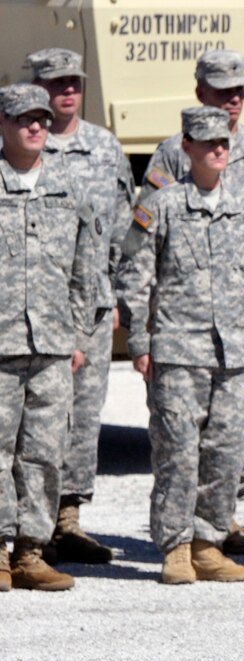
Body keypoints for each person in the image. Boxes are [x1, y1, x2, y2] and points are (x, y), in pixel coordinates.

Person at [116, 106, 244, 585]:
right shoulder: (161, 205)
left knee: (226, 450)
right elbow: (134, 276)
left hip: (233, 353)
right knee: (178, 452)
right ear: (186, 148)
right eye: (207, 143)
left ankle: (209, 542)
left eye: (223, 142)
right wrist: (141, 341)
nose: (218, 150)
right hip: (178, 351)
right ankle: (176, 545)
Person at [141, 48, 244, 557]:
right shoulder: (170, 155)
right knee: (183, 434)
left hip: (243, 320)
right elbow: (150, 242)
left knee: (241, 425)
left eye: (239, 91)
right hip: (187, 324)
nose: (233, 99)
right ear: (200, 91)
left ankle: (223, 518)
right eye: (222, 91)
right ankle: (188, 535)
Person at [24, 47, 135, 566]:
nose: (67, 90)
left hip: (88, 307)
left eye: (74, 82)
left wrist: (112, 292)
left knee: (84, 417)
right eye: (56, 82)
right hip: (30, 310)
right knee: (31, 420)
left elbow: (122, 228)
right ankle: (27, 525)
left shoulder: (105, 148)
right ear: (38, 87)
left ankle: (67, 520)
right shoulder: (22, 147)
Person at [0, 83, 98, 592]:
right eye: (23, 119)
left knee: (42, 451)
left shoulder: (69, 186)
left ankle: (31, 552)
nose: (35, 126)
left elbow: (87, 269)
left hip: (53, 346)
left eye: (40, 118)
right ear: (2, 124)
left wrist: (79, 334)